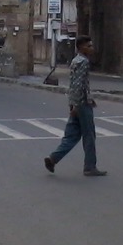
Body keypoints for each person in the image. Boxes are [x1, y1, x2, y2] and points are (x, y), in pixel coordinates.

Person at [43, 35, 107, 177]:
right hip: (82, 105)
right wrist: (77, 105)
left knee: (71, 136)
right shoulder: (83, 62)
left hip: (77, 103)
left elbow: (74, 85)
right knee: (89, 136)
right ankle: (90, 167)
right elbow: (78, 85)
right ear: (81, 47)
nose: (91, 48)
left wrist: (73, 104)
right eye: (88, 46)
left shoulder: (74, 61)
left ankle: (53, 158)